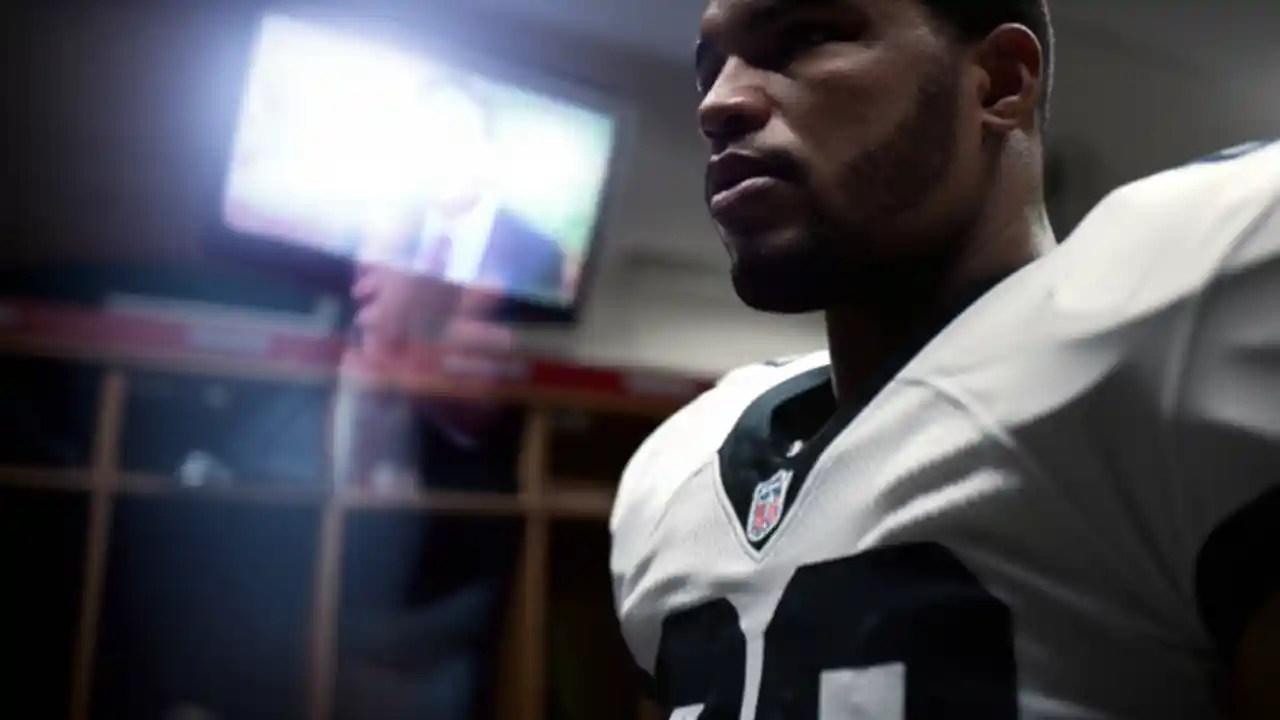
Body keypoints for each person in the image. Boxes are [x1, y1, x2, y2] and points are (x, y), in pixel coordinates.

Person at [609, 0, 1280, 717]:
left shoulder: (1174, 317)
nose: (720, 103)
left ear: (999, 82)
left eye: (805, 37)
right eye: (709, 70)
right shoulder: (680, 470)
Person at [388, 78, 568, 305]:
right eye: (424, 137)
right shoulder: (386, 230)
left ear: (489, 155)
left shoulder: (539, 254)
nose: (436, 153)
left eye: (455, 136)